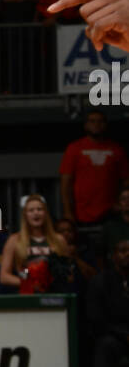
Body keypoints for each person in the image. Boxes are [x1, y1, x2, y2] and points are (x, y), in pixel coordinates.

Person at [59, 109, 129, 256]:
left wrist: (121, 204)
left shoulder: (116, 150)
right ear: (85, 125)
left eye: (100, 121)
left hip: (110, 213)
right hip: (81, 214)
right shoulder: (74, 148)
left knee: (113, 253)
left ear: (106, 125)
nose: (96, 124)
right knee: (85, 253)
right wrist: (68, 212)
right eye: (92, 121)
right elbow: (66, 184)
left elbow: (126, 181)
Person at [86, 239, 129, 367]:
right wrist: (123, 335)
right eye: (122, 250)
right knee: (104, 346)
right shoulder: (100, 282)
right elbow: (96, 320)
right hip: (115, 338)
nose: (127, 254)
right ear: (113, 256)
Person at [0, 194, 69, 292]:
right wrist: (28, 282)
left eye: (39, 209)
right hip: (27, 295)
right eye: (31, 210)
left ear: (45, 213)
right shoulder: (14, 240)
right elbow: (4, 277)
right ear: (25, 215)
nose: (36, 213)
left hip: (54, 293)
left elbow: (69, 274)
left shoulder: (59, 239)